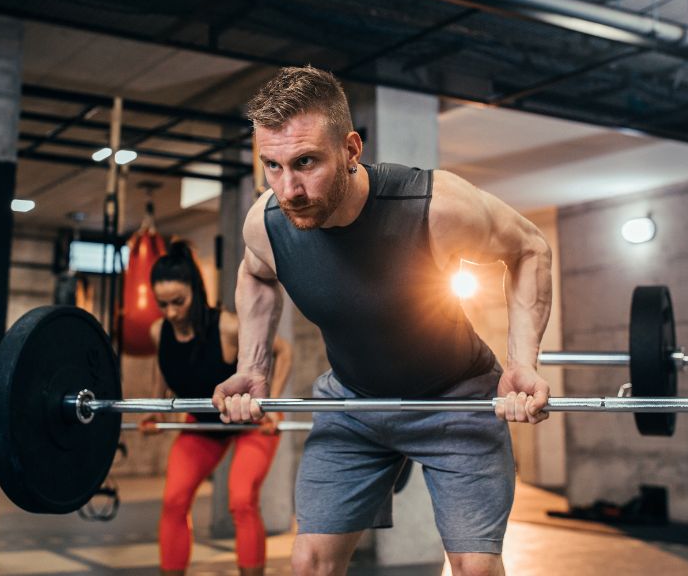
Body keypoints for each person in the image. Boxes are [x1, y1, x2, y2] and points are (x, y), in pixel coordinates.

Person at [211, 66, 553, 576]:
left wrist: (522, 361)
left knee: (476, 568)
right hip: (351, 405)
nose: (289, 189)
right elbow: (256, 276)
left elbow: (529, 249)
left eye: (306, 162)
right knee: (309, 565)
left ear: (351, 150)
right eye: (273, 166)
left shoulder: (435, 205)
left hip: (456, 401)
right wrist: (252, 367)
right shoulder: (266, 225)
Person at [142, 241, 292, 576]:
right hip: (202, 426)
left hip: (251, 423)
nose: (170, 312)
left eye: (178, 302)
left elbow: (283, 351)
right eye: (162, 304)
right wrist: (155, 407)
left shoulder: (225, 326)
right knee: (174, 501)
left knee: (241, 500)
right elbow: (163, 368)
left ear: (195, 291)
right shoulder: (158, 332)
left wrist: (272, 405)